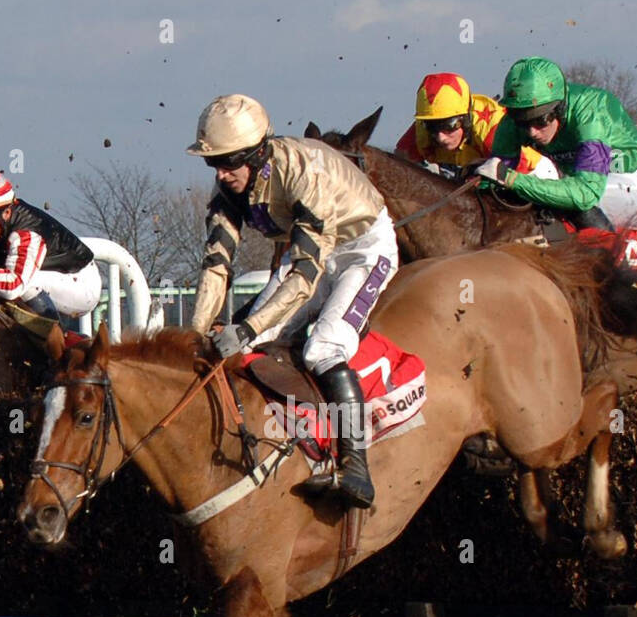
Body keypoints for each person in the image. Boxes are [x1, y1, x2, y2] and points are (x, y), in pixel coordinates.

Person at [187, 93, 399, 508]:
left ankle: (356, 465)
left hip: (362, 248)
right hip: (312, 252)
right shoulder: (229, 186)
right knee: (245, 348)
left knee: (324, 346)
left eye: (230, 162)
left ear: (258, 152)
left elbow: (305, 278)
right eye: (214, 163)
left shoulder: (306, 175)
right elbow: (216, 265)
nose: (222, 174)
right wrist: (193, 335)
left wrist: (246, 326)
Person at [477, 57, 637, 231]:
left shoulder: (590, 112)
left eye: (541, 120)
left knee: (566, 204)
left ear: (560, 108)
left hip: (634, 183)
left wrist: (513, 179)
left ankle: (612, 263)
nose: (532, 131)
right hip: (581, 182)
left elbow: (586, 195)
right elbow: (494, 184)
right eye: (522, 122)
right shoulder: (514, 118)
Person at [0, 169, 101, 327]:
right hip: (40, 276)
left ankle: (54, 344)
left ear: (6, 213)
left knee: (25, 286)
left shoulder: (27, 234)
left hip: (79, 283)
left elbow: (12, 287)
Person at [394, 72, 558, 182]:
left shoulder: (492, 129)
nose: (440, 137)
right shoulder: (422, 128)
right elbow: (396, 168)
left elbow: (516, 175)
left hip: (534, 173)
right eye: (432, 126)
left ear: (466, 118)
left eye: (449, 125)